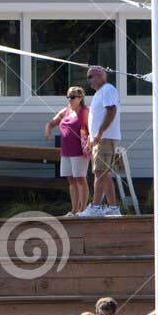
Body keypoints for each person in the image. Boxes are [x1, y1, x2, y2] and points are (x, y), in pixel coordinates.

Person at [45, 87, 91, 217]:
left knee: (80, 178)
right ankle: (74, 209)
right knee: (71, 180)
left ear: (80, 98)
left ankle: (83, 210)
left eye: (73, 97)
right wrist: (48, 130)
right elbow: (52, 122)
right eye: (68, 97)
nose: (70, 100)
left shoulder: (85, 111)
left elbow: (93, 129)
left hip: (79, 151)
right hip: (66, 151)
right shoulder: (65, 111)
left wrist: (90, 141)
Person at [83, 64, 122, 217]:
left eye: (90, 77)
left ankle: (96, 207)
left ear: (100, 75)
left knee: (100, 172)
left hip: (105, 137)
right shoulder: (100, 93)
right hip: (100, 138)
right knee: (103, 173)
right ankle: (113, 208)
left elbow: (111, 111)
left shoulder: (108, 89)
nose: (89, 81)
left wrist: (100, 133)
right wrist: (91, 139)